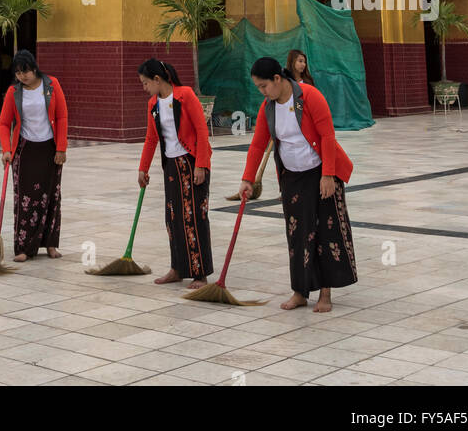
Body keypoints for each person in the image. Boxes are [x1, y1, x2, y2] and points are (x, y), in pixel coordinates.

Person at [238, 55, 357, 314]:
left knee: (327, 231)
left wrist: (328, 175)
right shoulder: (268, 107)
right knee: (297, 233)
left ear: (278, 79)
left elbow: (327, 136)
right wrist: (248, 178)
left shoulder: (309, 97)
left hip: (321, 171)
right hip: (292, 176)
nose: (262, 92)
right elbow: (258, 143)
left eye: (264, 86)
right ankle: (300, 292)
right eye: (258, 87)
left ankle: (325, 293)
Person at [137, 58, 213, 289]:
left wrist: (201, 164)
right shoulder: (153, 104)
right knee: (173, 218)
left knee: (194, 217)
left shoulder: (185, 95)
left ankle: (200, 273)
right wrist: (143, 168)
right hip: (171, 166)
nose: (144, 88)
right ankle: (177, 268)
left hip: (191, 163)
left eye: (145, 83)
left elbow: (201, 130)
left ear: (157, 79)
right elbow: (152, 139)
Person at [0, 50, 67, 262]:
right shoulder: (14, 92)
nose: (22, 76)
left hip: (49, 149)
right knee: (25, 200)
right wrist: (6, 149)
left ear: (34, 68)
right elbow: (3, 123)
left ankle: (51, 245)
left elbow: (62, 116)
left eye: (25, 71)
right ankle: (23, 247)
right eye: (18, 73)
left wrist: (61, 148)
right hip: (25, 150)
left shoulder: (52, 85)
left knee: (51, 197)